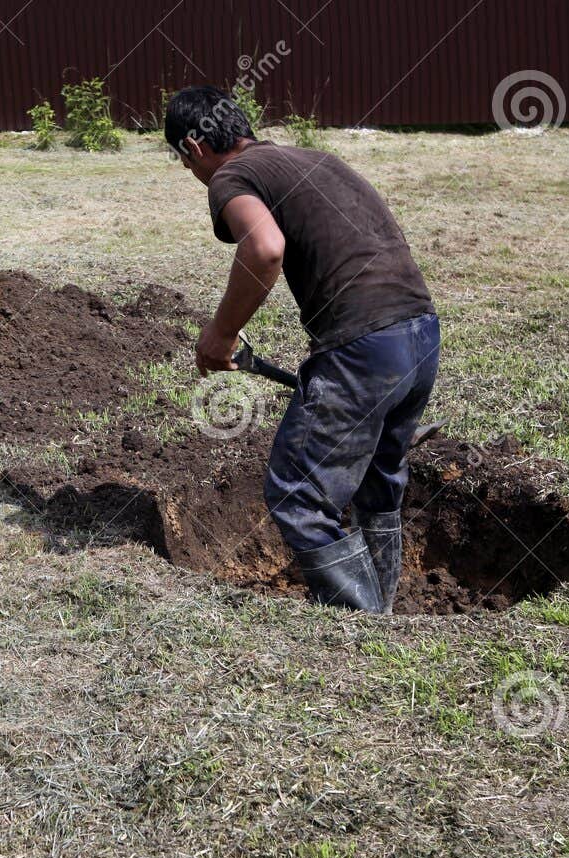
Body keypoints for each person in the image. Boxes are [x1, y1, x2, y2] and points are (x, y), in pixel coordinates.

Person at [164, 85, 440, 613]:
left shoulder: (232, 175)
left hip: (363, 347)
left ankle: (358, 630)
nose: (190, 172)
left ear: (193, 148)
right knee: (379, 481)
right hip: (420, 335)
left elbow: (264, 249)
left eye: (184, 162)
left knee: (297, 493)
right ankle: (382, 615)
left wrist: (220, 333)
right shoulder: (316, 159)